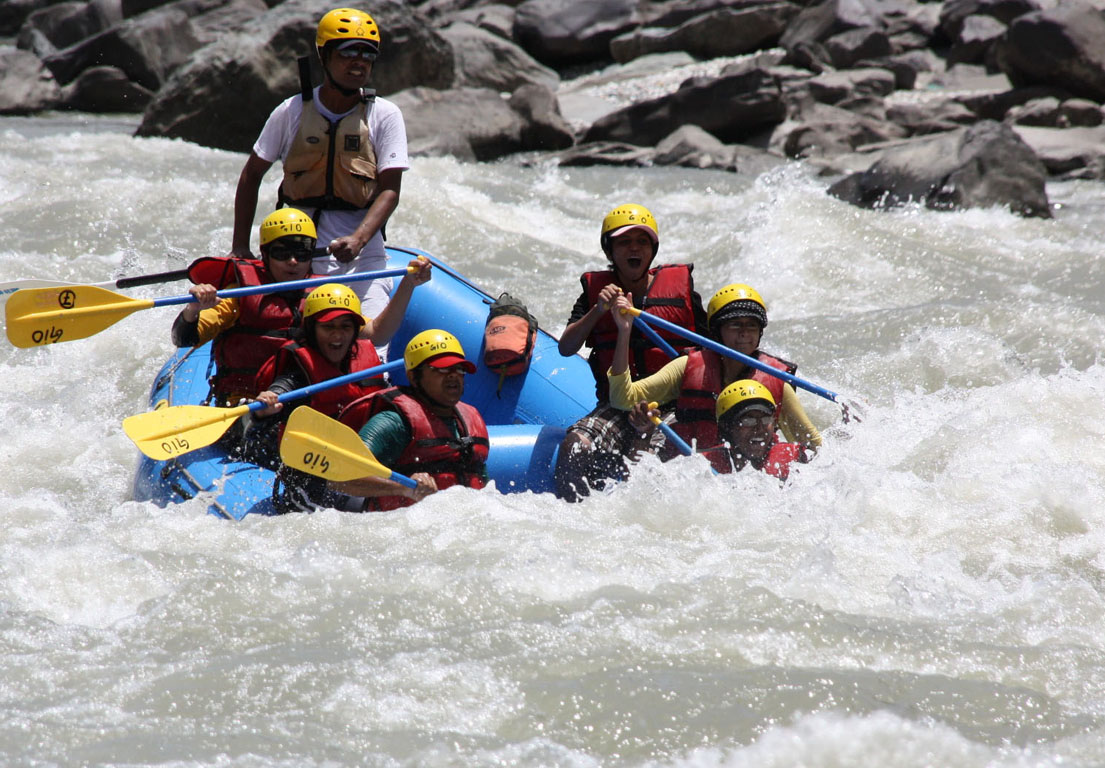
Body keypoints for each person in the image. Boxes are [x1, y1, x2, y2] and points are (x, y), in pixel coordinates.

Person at [229, 7, 408, 332]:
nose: (359, 61)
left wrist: (359, 238)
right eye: (348, 52)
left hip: (363, 257)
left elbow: (390, 189)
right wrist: (240, 246)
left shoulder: (385, 115)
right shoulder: (291, 111)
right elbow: (251, 175)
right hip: (300, 255)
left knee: (370, 349)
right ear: (324, 57)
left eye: (368, 54)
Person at [553, 203, 708, 501]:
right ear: (610, 252)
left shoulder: (684, 292)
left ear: (652, 249)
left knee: (658, 462)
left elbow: (711, 353)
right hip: (617, 404)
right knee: (575, 444)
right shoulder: (594, 294)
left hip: (674, 405)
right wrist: (597, 311)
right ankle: (574, 518)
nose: (634, 249)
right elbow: (566, 347)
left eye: (641, 241)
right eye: (624, 242)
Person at [607, 282, 821, 474]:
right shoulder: (687, 367)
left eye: (752, 325)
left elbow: (812, 444)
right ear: (717, 331)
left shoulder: (775, 378)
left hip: (748, 470)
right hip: (693, 469)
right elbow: (622, 398)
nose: (745, 332)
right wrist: (624, 331)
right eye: (735, 324)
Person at [172, 207, 320, 407]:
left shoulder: (322, 294)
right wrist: (193, 310)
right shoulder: (240, 294)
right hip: (243, 405)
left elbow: (367, 332)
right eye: (282, 252)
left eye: (302, 253)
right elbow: (185, 338)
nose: (293, 261)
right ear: (265, 255)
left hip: (298, 401)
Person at [329, 329, 489, 510]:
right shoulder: (394, 423)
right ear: (413, 376)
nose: (453, 375)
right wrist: (402, 488)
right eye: (442, 368)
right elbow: (339, 478)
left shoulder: (470, 422)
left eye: (459, 369)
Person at [712, 380, 810, 479]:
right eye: (748, 421)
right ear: (727, 427)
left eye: (766, 420)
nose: (759, 428)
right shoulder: (706, 466)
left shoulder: (796, 459)